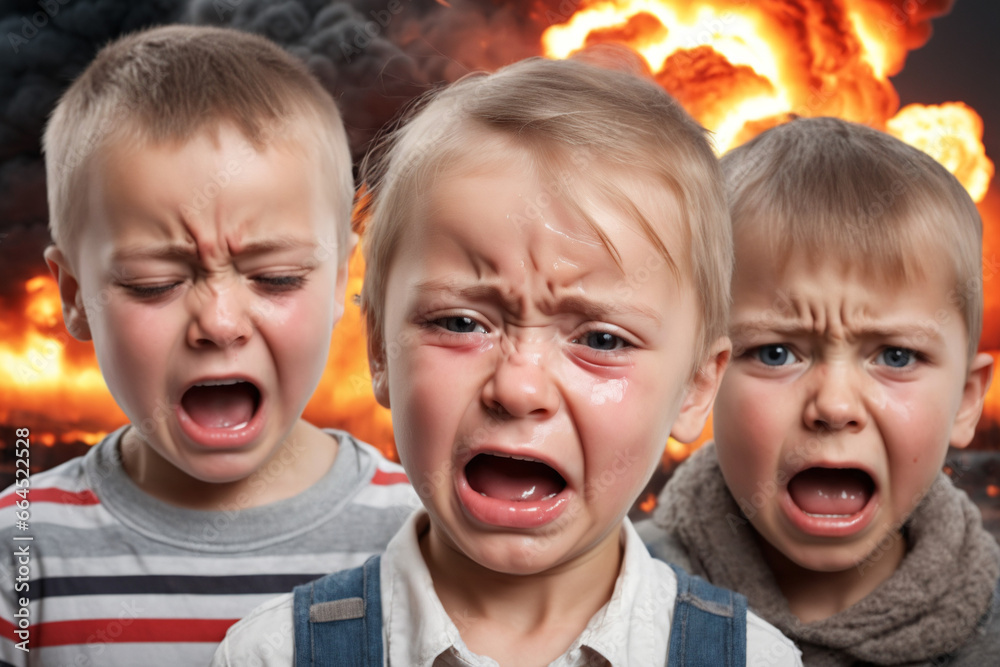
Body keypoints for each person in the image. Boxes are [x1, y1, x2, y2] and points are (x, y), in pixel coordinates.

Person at [211, 53, 802, 666]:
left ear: (696, 388)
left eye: (601, 340)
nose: (518, 388)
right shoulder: (273, 655)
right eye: (461, 323)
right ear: (380, 350)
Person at [0, 25, 417, 666]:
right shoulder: (20, 550)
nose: (221, 324)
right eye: (153, 284)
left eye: (276, 278)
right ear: (76, 296)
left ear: (340, 282)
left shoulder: (421, 539)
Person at [638, 116, 999, 665]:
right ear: (699, 381)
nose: (833, 406)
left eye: (896, 356)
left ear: (968, 399)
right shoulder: (615, 598)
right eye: (777, 353)